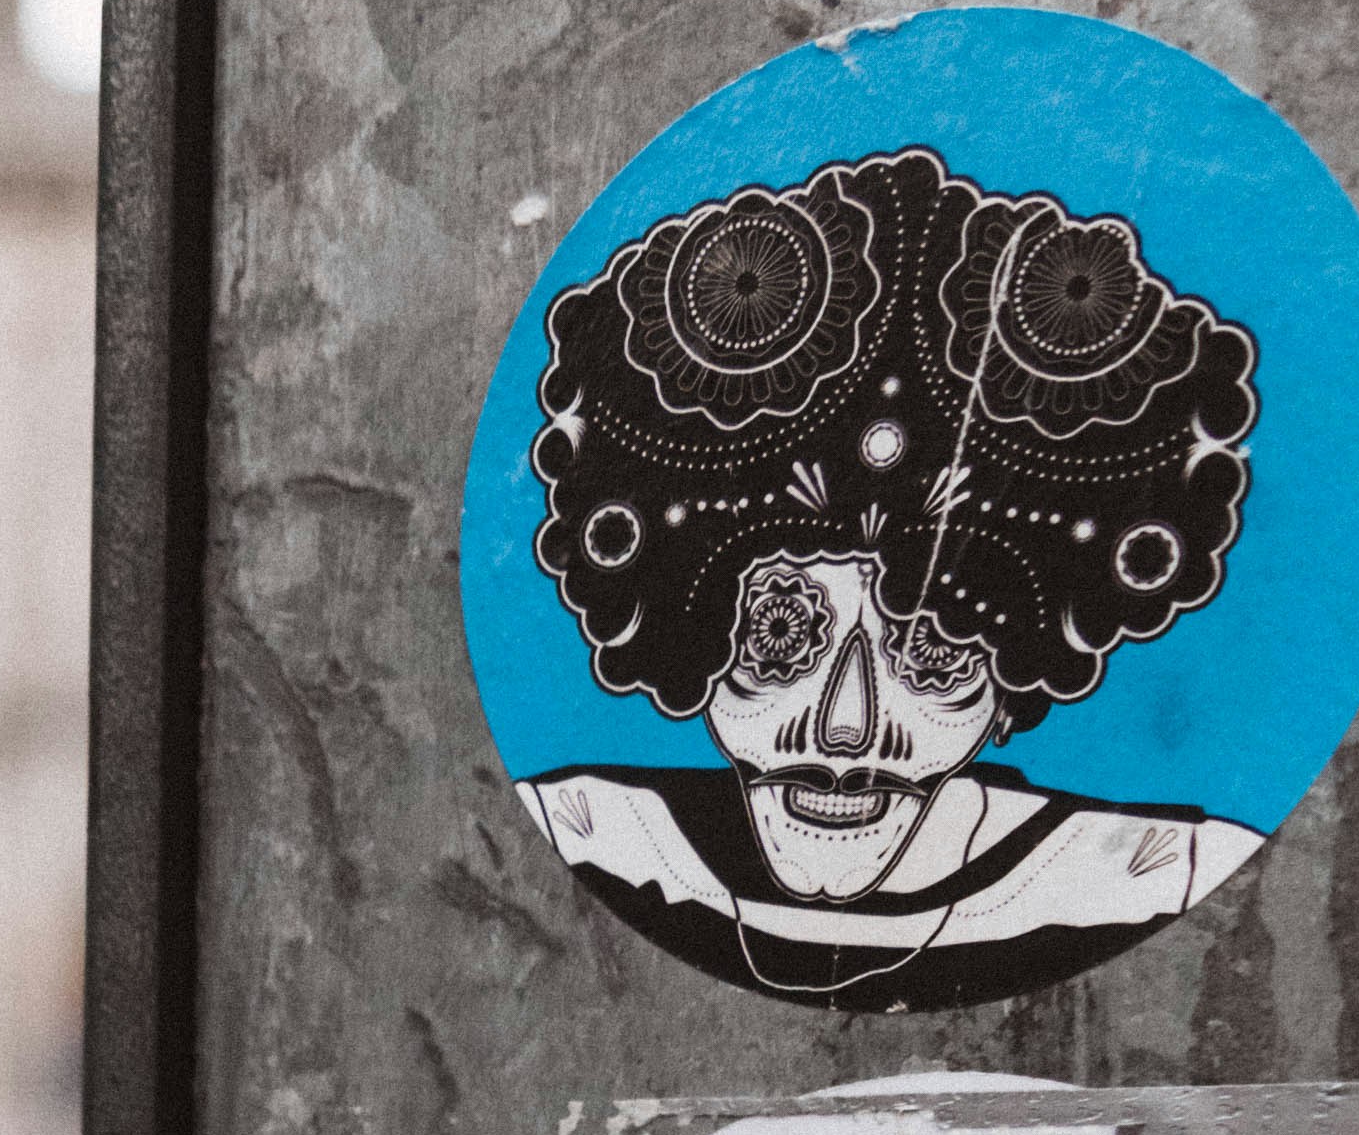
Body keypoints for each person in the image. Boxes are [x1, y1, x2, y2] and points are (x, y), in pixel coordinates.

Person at [510, 148, 1265, 1010]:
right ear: (681, 620)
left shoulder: (1152, 877)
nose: (846, 731)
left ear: (1021, 656)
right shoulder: (596, 837)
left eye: (929, 650)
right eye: (781, 634)